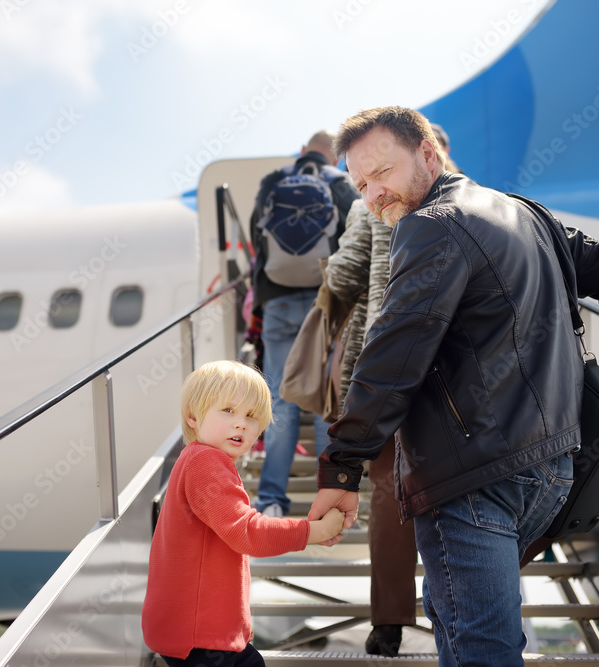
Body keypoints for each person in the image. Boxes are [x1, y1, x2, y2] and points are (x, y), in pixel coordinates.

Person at [308, 107, 599, 666]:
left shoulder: (430, 225)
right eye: (362, 185)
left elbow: (394, 354)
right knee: (465, 627)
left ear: (428, 154)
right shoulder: (523, 212)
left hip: (471, 480)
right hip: (549, 467)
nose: (373, 195)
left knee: (478, 647)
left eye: (382, 173)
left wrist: (342, 464)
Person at [142, 360, 345, 666]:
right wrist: (314, 532)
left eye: (251, 416)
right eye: (228, 410)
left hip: (200, 635)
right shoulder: (205, 463)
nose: (241, 423)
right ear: (193, 417)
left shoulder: (199, 459)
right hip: (202, 639)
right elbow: (248, 532)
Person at [250, 131, 359, 518]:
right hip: (325, 301)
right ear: (336, 155)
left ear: (301, 152)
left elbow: (255, 236)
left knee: (280, 398)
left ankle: (270, 501)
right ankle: (327, 495)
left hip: (277, 300)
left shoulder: (274, 179)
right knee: (323, 399)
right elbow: (357, 235)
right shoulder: (339, 181)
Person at [324, 198, 416, 655]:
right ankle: (461, 604)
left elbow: (343, 277)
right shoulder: (467, 201)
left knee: (387, 492)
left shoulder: (373, 206)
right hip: (454, 374)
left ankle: (390, 623)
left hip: (385, 367)